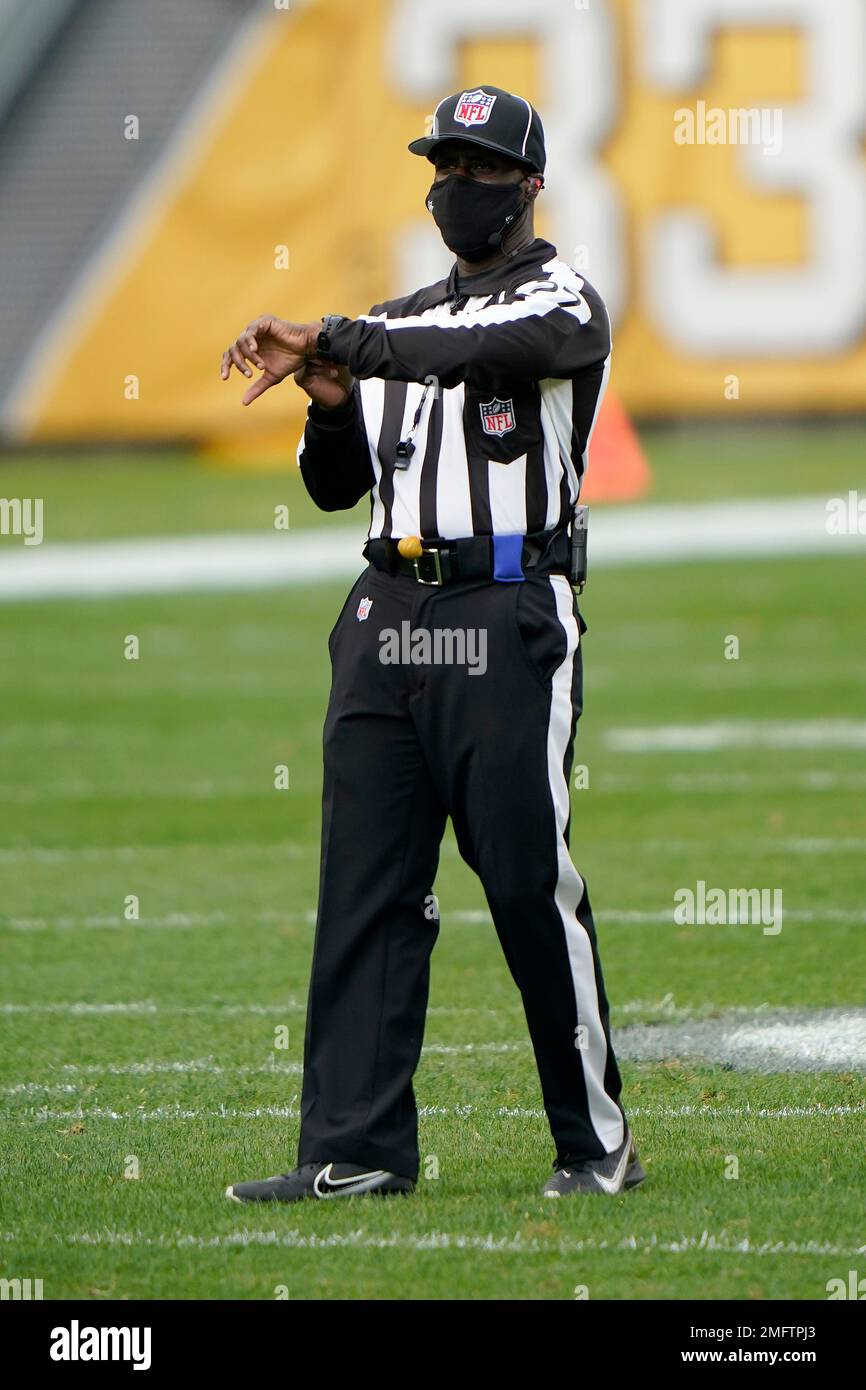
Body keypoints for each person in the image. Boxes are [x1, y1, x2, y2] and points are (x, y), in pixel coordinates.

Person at [221, 85, 645, 1202]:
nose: (459, 187)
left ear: (529, 186)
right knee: (364, 885)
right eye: (445, 166)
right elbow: (333, 486)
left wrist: (342, 338)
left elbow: (525, 338)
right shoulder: (399, 320)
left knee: (521, 880)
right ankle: (352, 1150)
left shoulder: (556, 298)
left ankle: (593, 1141)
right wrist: (325, 397)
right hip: (383, 616)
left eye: (483, 169)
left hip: (501, 612)